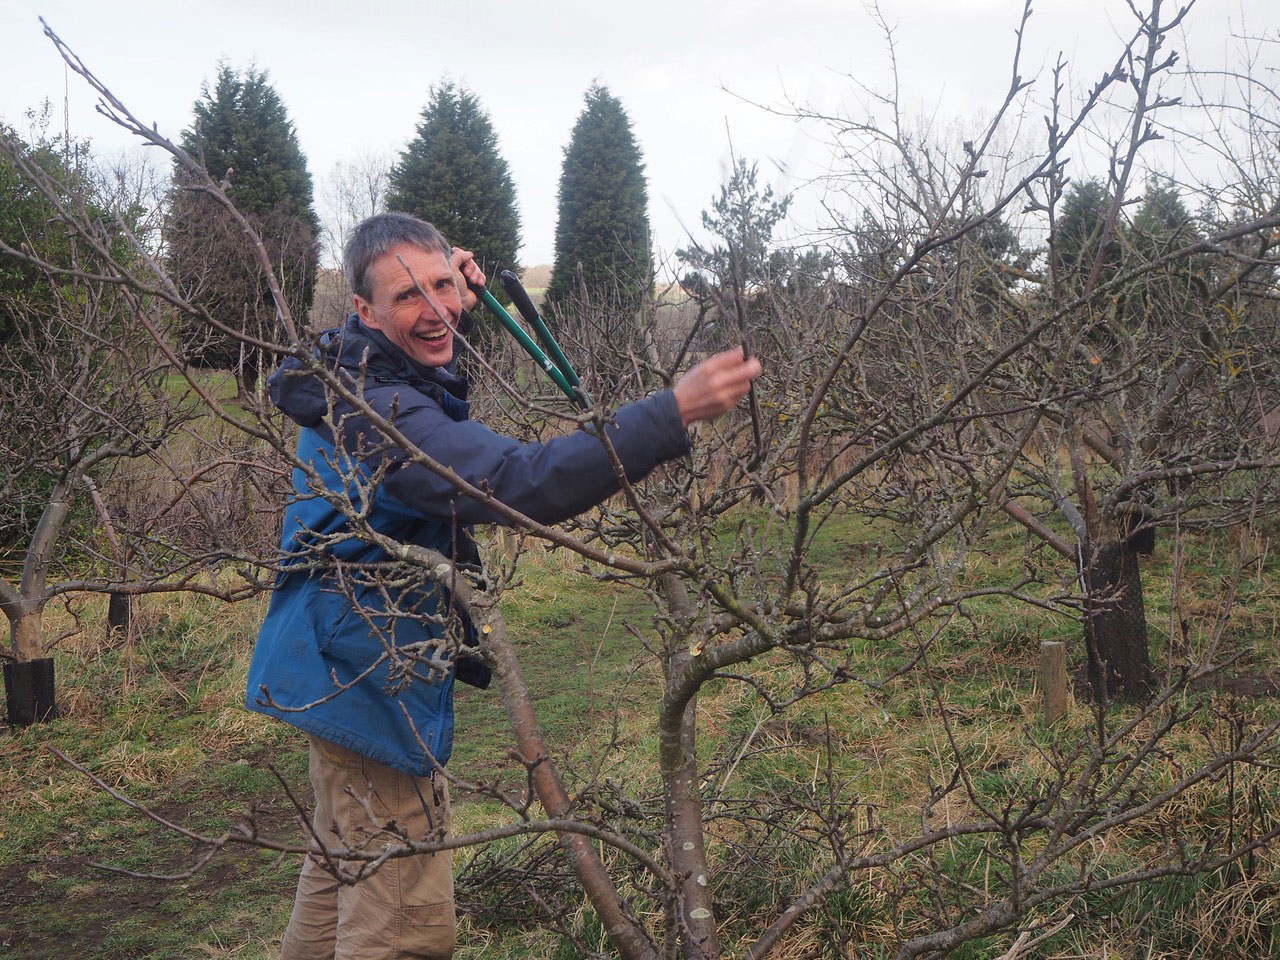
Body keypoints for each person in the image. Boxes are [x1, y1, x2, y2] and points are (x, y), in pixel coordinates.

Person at [246, 212, 761, 959]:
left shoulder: (351, 368)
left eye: (443, 285)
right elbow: (506, 480)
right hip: (366, 673)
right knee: (402, 925)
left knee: (340, 870)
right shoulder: (373, 408)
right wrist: (668, 413)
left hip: (334, 660)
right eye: (408, 295)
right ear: (363, 310)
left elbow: (433, 392)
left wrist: (447, 297)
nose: (437, 308)